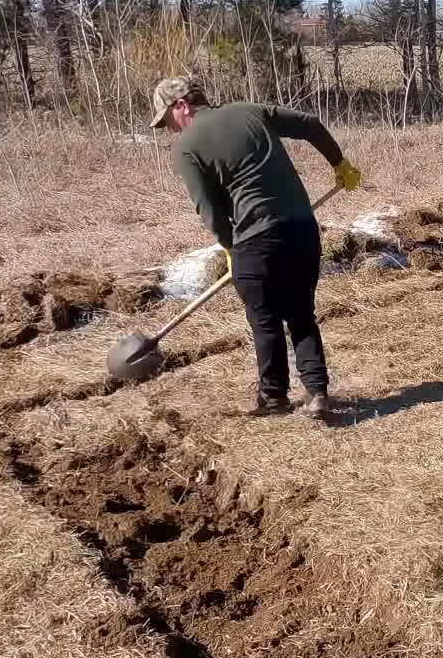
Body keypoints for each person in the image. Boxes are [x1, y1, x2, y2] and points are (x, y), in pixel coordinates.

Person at [149, 76, 362, 417]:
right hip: (303, 229)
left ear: (182, 106)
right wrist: (339, 163)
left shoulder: (186, 145)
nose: (169, 130)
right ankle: (318, 393)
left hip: (256, 238)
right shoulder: (249, 111)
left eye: (167, 121)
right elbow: (310, 124)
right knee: (300, 314)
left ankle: (274, 397)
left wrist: (232, 247)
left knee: (264, 319)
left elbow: (208, 207)